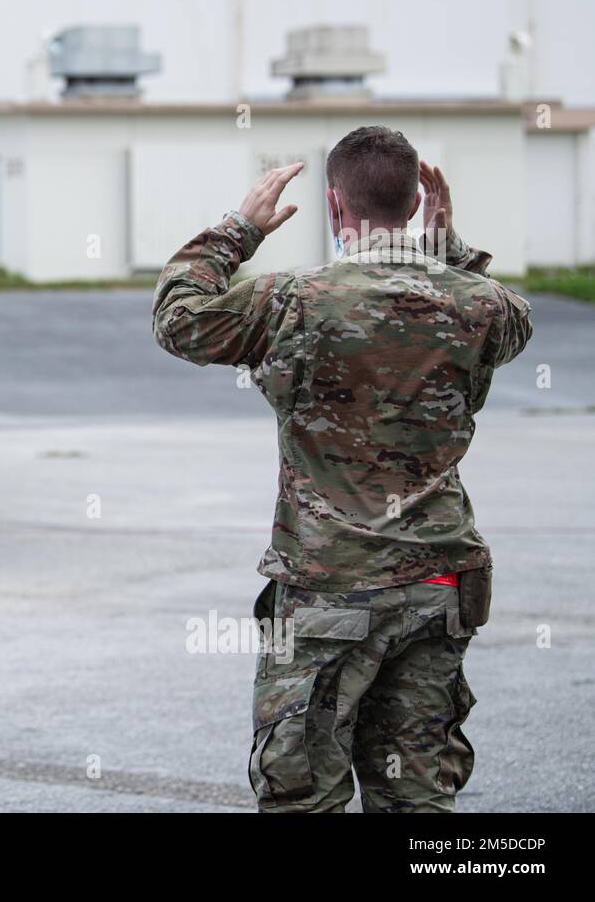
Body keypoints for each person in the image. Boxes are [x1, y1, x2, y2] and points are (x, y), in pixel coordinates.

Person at [152, 126, 533, 812]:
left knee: (305, 792)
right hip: (438, 581)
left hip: (330, 587)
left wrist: (238, 230)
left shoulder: (292, 300)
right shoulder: (481, 305)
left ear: (333, 206)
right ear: (417, 205)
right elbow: (510, 318)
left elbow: (180, 318)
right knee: (418, 794)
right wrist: (451, 253)